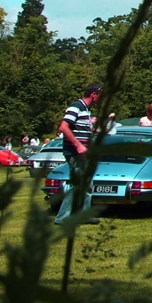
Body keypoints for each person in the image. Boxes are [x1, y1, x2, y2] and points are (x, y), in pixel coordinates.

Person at [55, 83, 103, 225]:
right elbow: (63, 127)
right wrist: (78, 145)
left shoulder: (86, 111)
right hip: (75, 153)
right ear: (94, 94)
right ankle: (62, 218)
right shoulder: (77, 106)